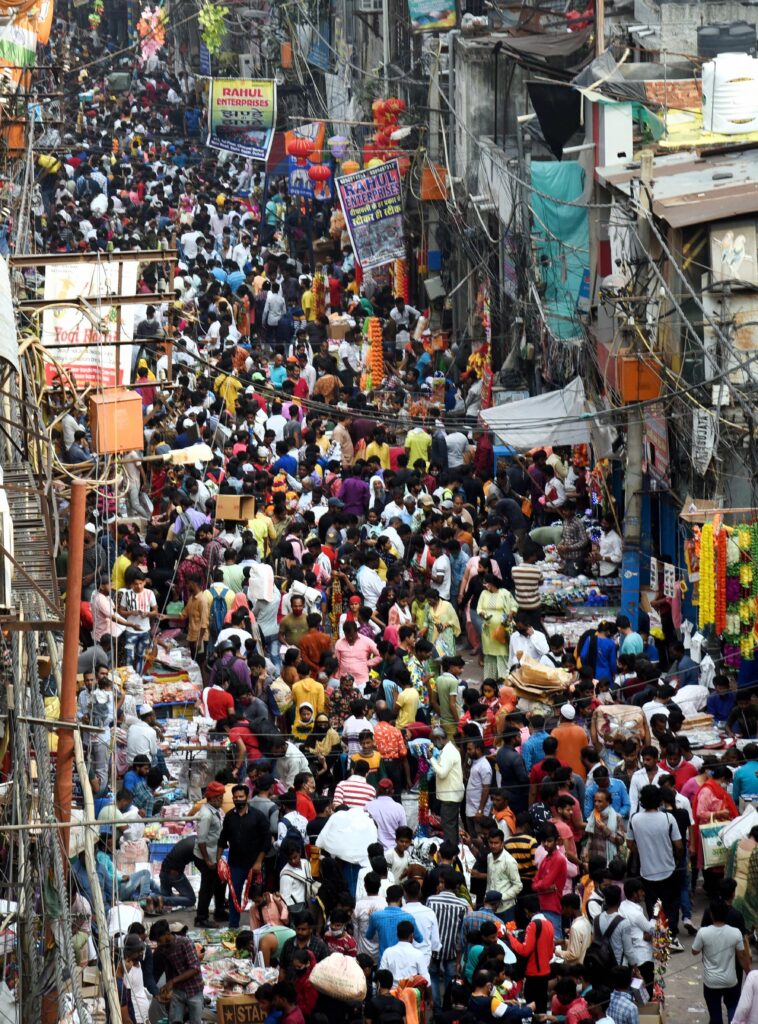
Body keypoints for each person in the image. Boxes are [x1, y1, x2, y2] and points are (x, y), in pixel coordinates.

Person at [627, 784, 684, 951]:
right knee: (672, 905)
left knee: (653, 906)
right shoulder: (668, 818)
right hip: (669, 869)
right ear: (660, 800)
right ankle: (671, 936)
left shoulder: (635, 819)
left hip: (647, 873)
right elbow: (679, 846)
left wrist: (643, 852)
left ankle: (659, 936)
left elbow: (630, 843)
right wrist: (677, 859)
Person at [218, 784, 272, 928]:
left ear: (246, 797)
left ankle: (263, 924)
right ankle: (233, 924)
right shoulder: (229, 817)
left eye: (241, 797)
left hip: (255, 864)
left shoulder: (258, 817)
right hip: (235, 863)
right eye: (235, 797)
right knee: (234, 894)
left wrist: (259, 862)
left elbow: (266, 841)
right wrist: (219, 861)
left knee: (258, 895)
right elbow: (223, 839)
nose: (238, 799)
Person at [692, 900, 751, 1024]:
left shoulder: (703, 932)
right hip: (731, 981)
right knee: (733, 1008)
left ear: (711, 914)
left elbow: (694, 951)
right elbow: (741, 957)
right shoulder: (736, 933)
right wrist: (748, 972)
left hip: (711, 982)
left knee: (715, 1015)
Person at [150, 918, 204, 1024]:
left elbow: (195, 968)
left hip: (194, 989)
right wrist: (167, 989)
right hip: (178, 991)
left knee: (195, 1021)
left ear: (167, 934)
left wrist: (172, 982)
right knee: (174, 1020)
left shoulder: (185, 943)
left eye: (159, 940)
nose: (159, 944)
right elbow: (168, 971)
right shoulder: (162, 950)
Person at [192, 781, 227, 927]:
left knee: (220, 882)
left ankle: (219, 910)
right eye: (219, 798)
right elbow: (201, 841)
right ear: (212, 798)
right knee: (207, 887)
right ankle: (201, 917)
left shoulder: (215, 810)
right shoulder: (206, 815)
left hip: (214, 854)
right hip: (205, 856)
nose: (221, 800)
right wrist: (207, 860)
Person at [428, 726, 465, 846]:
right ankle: (453, 848)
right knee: (451, 825)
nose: (434, 745)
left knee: (448, 826)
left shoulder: (448, 752)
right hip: (451, 794)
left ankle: (450, 851)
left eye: (434, 741)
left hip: (450, 796)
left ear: (439, 738)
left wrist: (431, 759)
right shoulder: (448, 750)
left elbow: (442, 773)